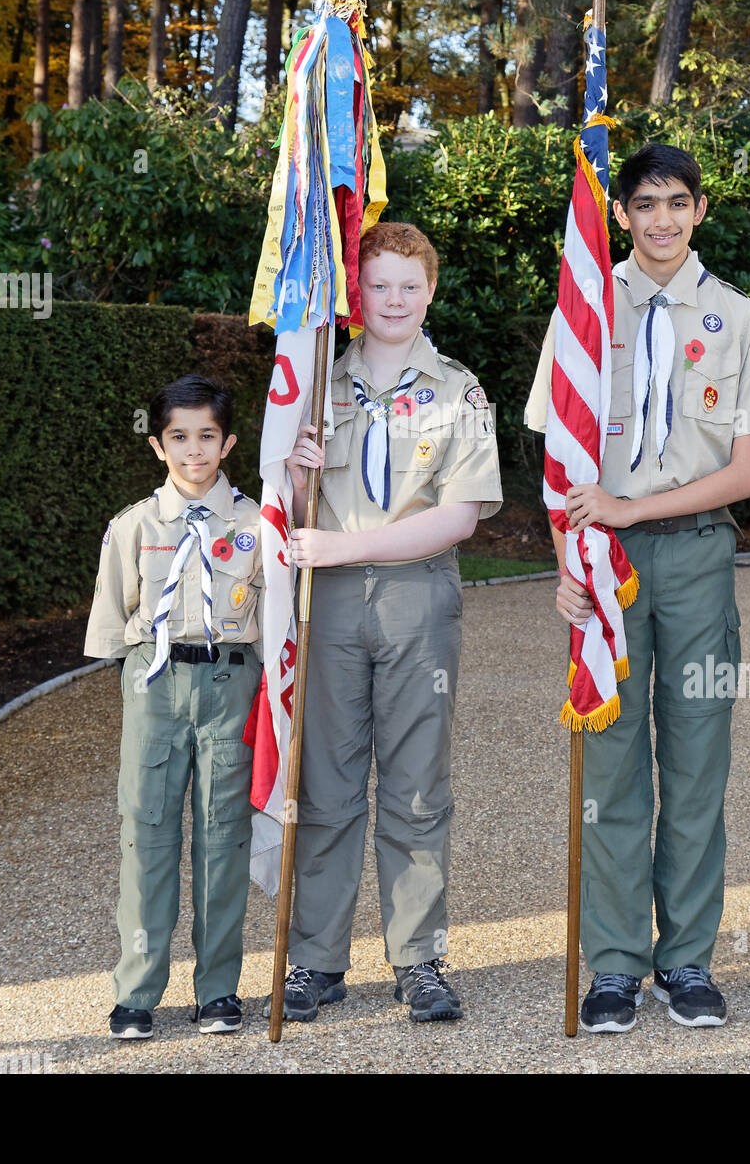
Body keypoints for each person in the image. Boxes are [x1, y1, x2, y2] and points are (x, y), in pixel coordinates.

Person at [524, 141, 750, 1032]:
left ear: (701, 211)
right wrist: (569, 559)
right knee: (611, 767)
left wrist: (635, 511)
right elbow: (560, 454)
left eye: (679, 203)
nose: (663, 220)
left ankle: (685, 961)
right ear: (624, 215)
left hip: (695, 559)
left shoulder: (738, 318)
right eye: (645, 205)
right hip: (605, 564)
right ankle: (613, 965)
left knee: (696, 763)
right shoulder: (585, 308)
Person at [272, 220, 502, 1024]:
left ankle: (417, 958)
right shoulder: (313, 388)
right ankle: (314, 959)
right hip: (328, 600)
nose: (394, 299)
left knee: (414, 786)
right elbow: (290, 519)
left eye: (409, 284)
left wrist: (342, 542)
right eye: (378, 285)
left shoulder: (459, 391)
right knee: (326, 783)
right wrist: (294, 476)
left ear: (431, 291)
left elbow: (461, 517)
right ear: (354, 294)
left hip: (416, 596)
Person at [84, 373, 265, 1040]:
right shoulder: (132, 527)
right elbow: (113, 622)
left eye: (207, 437)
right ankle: (136, 991)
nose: (194, 451)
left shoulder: (256, 524)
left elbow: (276, 623)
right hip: (154, 684)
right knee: (147, 834)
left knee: (223, 836)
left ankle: (217, 988)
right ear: (158, 445)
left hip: (229, 683)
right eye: (179, 438)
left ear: (230, 442)